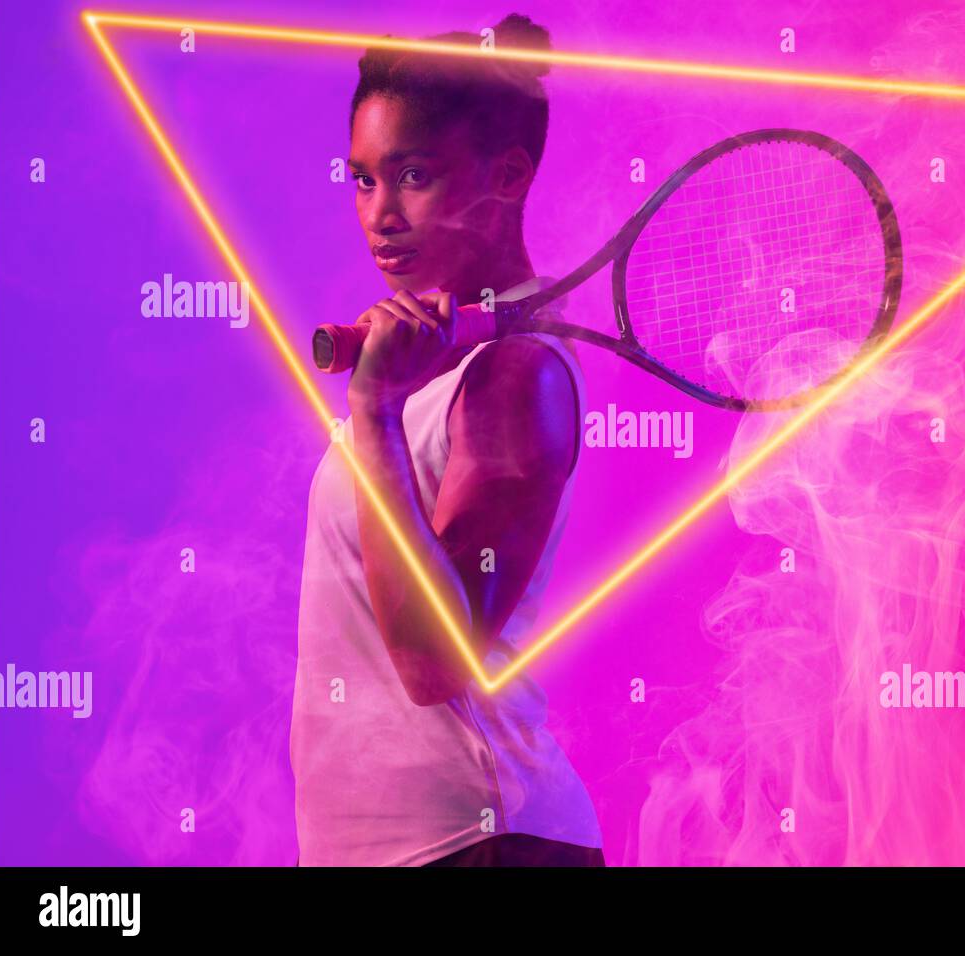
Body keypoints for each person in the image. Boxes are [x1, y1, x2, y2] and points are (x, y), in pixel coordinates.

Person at [289, 13, 604, 867]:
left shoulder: (517, 379)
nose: (380, 215)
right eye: (361, 180)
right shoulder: (434, 363)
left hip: (479, 844)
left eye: (414, 175)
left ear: (508, 176)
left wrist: (377, 412)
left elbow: (434, 667)